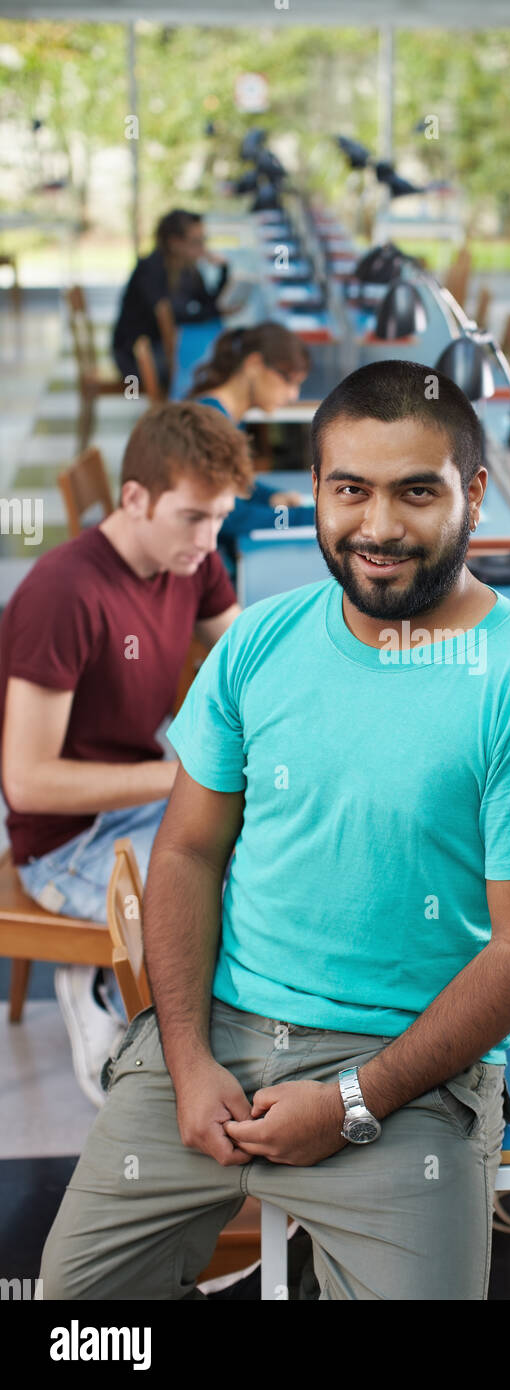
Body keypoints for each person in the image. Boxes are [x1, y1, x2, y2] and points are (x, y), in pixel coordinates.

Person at [40, 359, 510, 1302]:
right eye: (351, 489)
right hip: (216, 1040)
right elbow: (186, 852)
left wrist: (352, 1103)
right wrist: (186, 1062)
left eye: (416, 493)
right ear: (314, 489)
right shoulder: (259, 644)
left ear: (473, 494)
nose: (380, 527)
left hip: (409, 1079)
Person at [0, 403, 249, 1106]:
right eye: (194, 517)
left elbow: (242, 659)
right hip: (65, 843)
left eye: (221, 518)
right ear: (134, 499)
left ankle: (126, 976)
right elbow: (26, 783)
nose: (210, 539)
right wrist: (181, 775)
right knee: (231, 894)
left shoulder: (187, 562)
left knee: (272, 853)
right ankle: (120, 995)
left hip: (138, 803)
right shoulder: (64, 594)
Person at [189, 322, 313, 576]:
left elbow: (231, 483)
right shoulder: (212, 423)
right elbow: (230, 517)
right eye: (288, 380)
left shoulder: (226, 415)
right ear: (255, 365)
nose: (293, 395)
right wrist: (309, 518)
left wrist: (268, 498)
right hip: (206, 567)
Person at [112, 209, 230, 391]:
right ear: (175, 243)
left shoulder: (187, 268)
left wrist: (223, 270)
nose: (203, 248)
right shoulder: (150, 270)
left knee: (215, 360)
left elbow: (207, 303)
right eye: (196, 242)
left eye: (204, 240)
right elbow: (174, 315)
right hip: (135, 356)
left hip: (161, 345)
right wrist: (215, 312)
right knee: (207, 371)